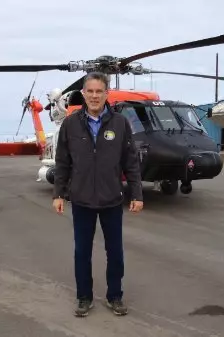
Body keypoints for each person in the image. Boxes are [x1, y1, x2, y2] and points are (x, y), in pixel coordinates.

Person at [53, 72, 143, 317]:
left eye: (99, 91)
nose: (94, 96)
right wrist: (58, 193)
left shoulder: (120, 123)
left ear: (106, 94)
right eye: (90, 91)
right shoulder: (70, 124)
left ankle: (115, 296)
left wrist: (137, 193)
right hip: (81, 200)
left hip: (112, 200)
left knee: (115, 252)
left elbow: (131, 162)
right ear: (84, 94)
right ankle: (84, 297)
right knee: (82, 252)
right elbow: (62, 162)